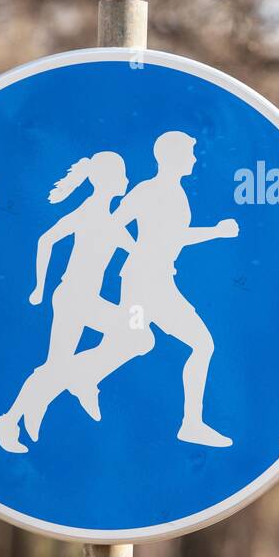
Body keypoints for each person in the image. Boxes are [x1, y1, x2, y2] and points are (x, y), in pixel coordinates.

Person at [48, 130, 238, 447]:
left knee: (135, 339)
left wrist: (138, 247)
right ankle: (190, 423)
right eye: (189, 153)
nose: (194, 159)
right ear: (174, 157)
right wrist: (215, 231)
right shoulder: (151, 191)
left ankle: (81, 376)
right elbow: (127, 227)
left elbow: (144, 231)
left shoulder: (170, 192)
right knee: (195, 344)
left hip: (153, 281)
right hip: (145, 285)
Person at [0, 151, 133, 453]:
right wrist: (39, 287)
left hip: (86, 300)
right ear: (109, 181)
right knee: (132, 335)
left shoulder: (109, 218)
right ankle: (14, 417)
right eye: (122, 174)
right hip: (73, 298)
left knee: (136, 333)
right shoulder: (90, 211)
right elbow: (47, 240)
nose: (127, 179)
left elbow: (137, 251)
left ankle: (18, 415)